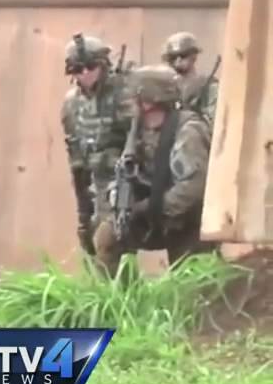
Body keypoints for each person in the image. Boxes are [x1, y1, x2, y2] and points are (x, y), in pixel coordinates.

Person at [93, 65, 219, 276]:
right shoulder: (139, 128)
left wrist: (149, 207)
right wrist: (119, 192)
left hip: (186, 222)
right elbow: (128, 167)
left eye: (134, 98)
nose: (129, 103)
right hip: (153, 215)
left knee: (190, 283)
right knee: (106, 238)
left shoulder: (188, 131)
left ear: (148, 102)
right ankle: (125, 303)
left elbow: (193, 188)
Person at [59, 33, 137, 259]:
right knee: (98, 249)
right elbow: (77, 162)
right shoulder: (71, 104)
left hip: (131, 183)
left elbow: (142, 140)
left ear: (103, 65)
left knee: (109, 243)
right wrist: (83, 216)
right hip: (99, 185)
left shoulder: (123, 95)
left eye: (91, 66)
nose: (85, 73)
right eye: (77, 68)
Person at [161, 31, 219, 125]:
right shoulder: (163, 88)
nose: (178, 60)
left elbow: (213, 122)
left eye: (183, 55)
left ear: (194, 56)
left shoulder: (208, 86)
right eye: (172, 57)